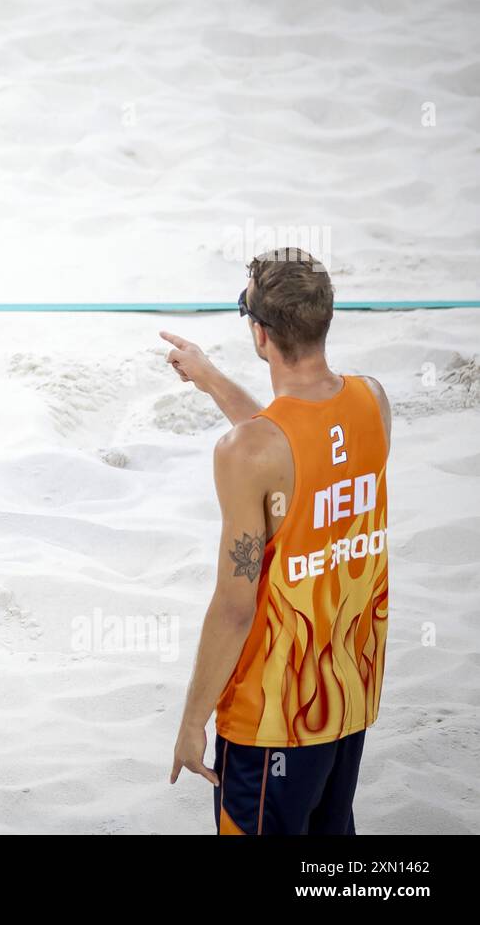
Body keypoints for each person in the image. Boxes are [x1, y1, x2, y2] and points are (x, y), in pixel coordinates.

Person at [165, 249, 390, 834]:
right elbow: (298, 448)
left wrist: (192, 723)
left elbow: (235, 608)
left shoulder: (245, 453)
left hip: (274, 716)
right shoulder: (373, 402)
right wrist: (212, 379)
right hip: (347, 692)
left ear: (259, 334)